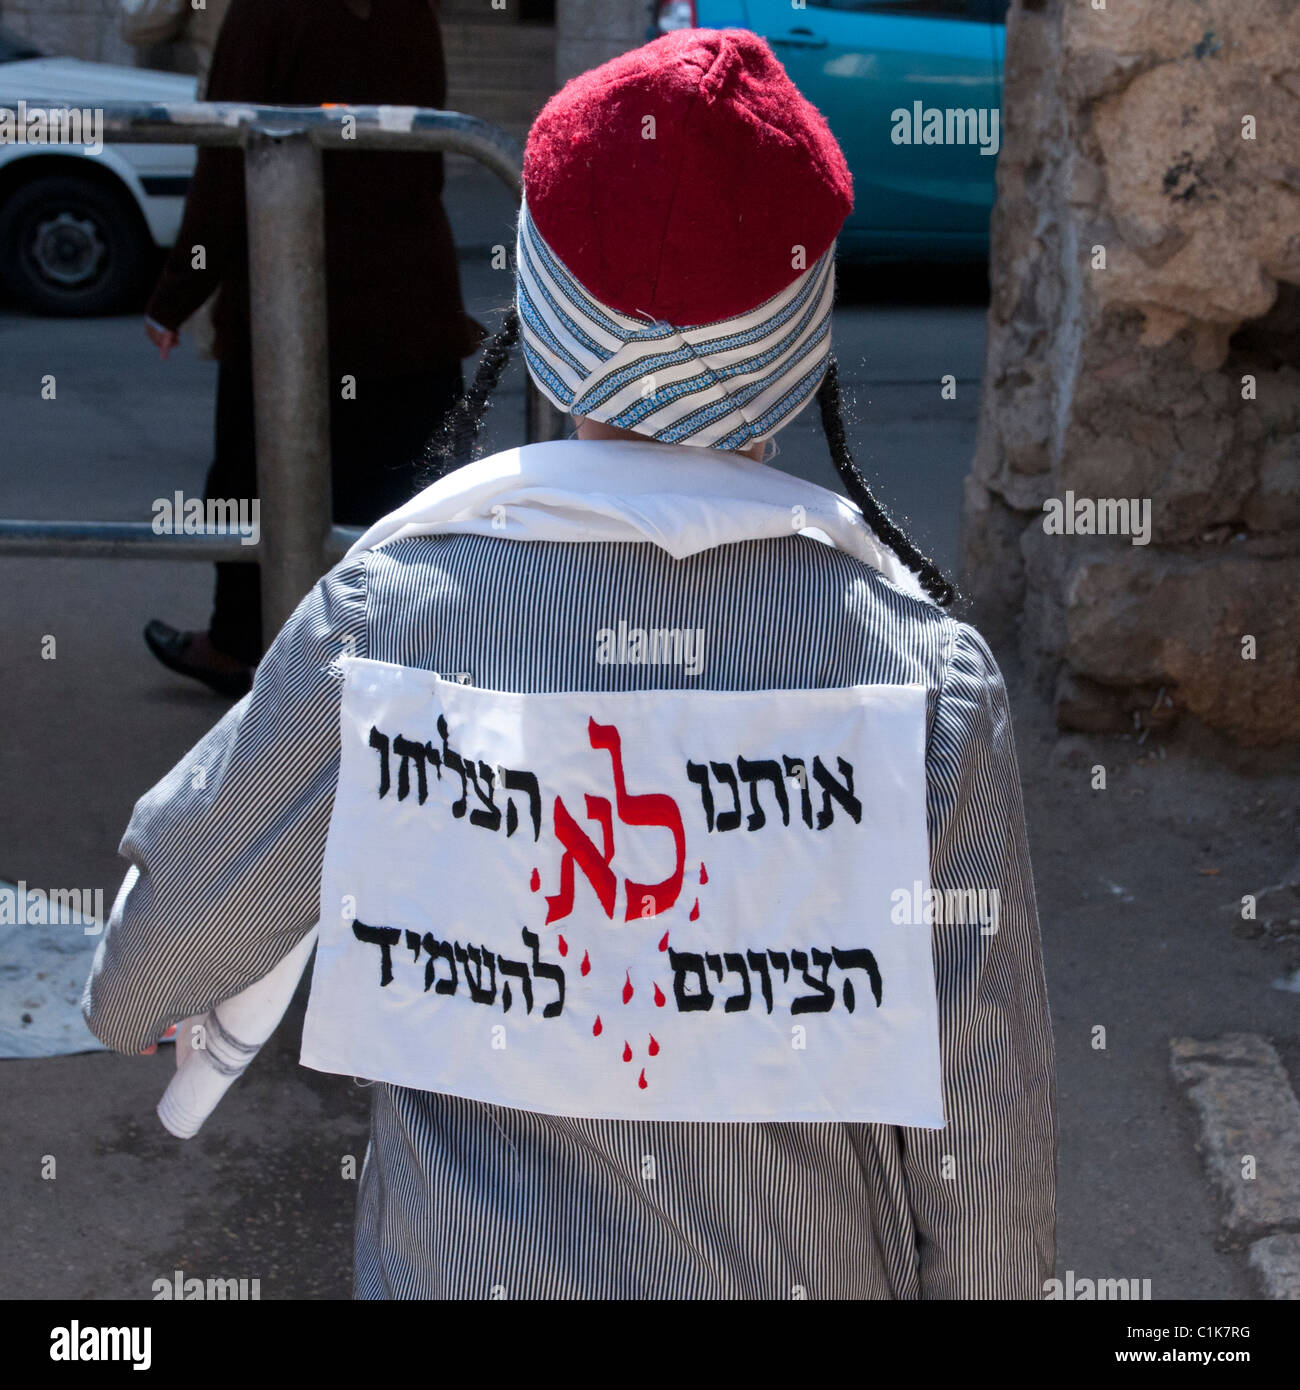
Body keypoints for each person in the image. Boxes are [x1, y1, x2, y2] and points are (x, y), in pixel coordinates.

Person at [85, 29, 1056, 1299]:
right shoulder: (932, 688)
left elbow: (144, 984)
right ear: (803, 332)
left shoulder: (391, 618)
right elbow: (980, 1139)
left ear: (541, 317)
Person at [140, 0, 483, 697]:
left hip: (295, 297)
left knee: (249, 482)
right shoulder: (410, 10)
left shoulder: (267, 12)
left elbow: (229, 152)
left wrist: (178, 291)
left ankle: (241, 645)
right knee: (399, 496)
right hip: (409, 295)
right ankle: (404, 658)